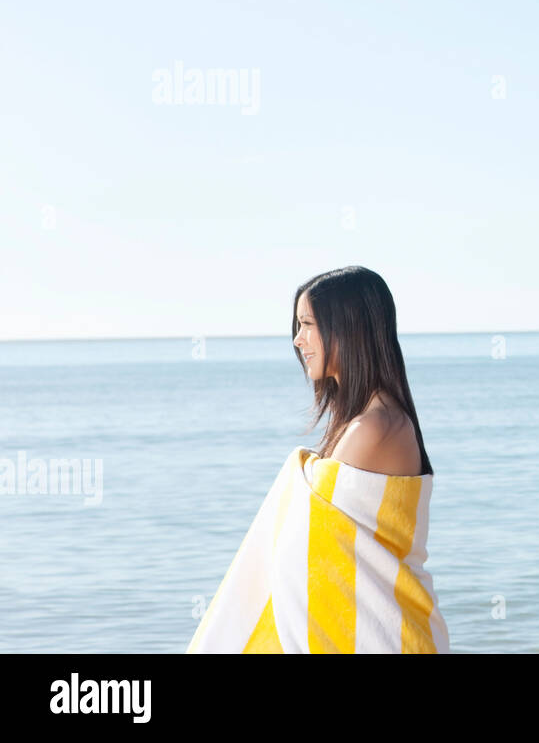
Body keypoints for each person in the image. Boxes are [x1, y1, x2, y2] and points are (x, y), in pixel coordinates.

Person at [187, 266, 450, 653]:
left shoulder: (375, 429)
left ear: (348, 328)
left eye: (308, 324)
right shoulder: (366, 422)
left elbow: (315, 544)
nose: (298, 340)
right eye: (297, 325)